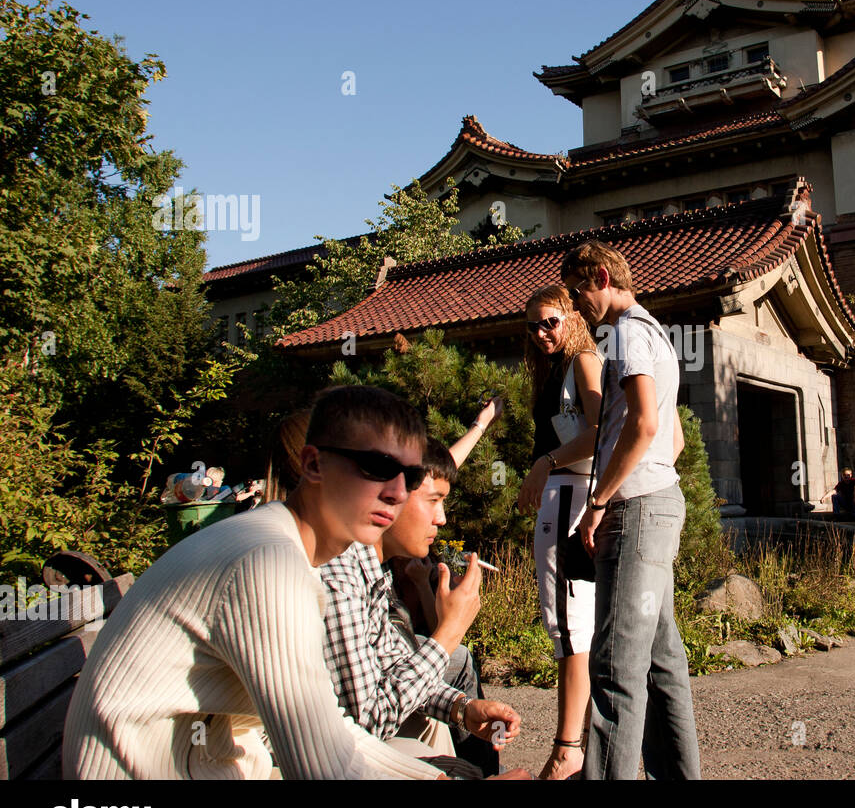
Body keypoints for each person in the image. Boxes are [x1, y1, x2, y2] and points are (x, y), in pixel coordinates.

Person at [63, 384, 528, 779]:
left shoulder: (291, 546)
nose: (395, 492)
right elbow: (321, 767)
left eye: (407, 476)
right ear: (313, 465)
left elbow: (330, 730)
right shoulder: (268, 564)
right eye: (374, 468)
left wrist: (454, 744)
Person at [563, 240, 700, 780]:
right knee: (662, 663)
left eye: (579, 293)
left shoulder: (625, 332)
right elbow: (675, 437)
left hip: (636, 510)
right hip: (658, 502)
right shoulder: (656, 334)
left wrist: (599, 500)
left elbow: (645, 425)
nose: (578, 306)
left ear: (600, 275)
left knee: (616, 667)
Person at [319, 437, 520, 779]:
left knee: (457, 755)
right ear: (389, 497)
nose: (441, 519)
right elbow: (368, 719)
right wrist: (450, 631)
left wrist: (463, 708)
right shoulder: (339, 572)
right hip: (303, 756)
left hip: (342, 743)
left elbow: (392, 661)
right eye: (434, 501)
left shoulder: (370, 571)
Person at [514, 284, 604, 779]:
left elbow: (600, 429)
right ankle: (583, 742)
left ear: (571, 318)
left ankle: (568, 747)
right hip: (561, 494)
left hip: (572, 494)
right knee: (570, 624)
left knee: (569, 626)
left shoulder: (584, 361)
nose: (542, 332)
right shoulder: (552, 370)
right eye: (533, 325)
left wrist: (544, 463)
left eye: (550, 321)